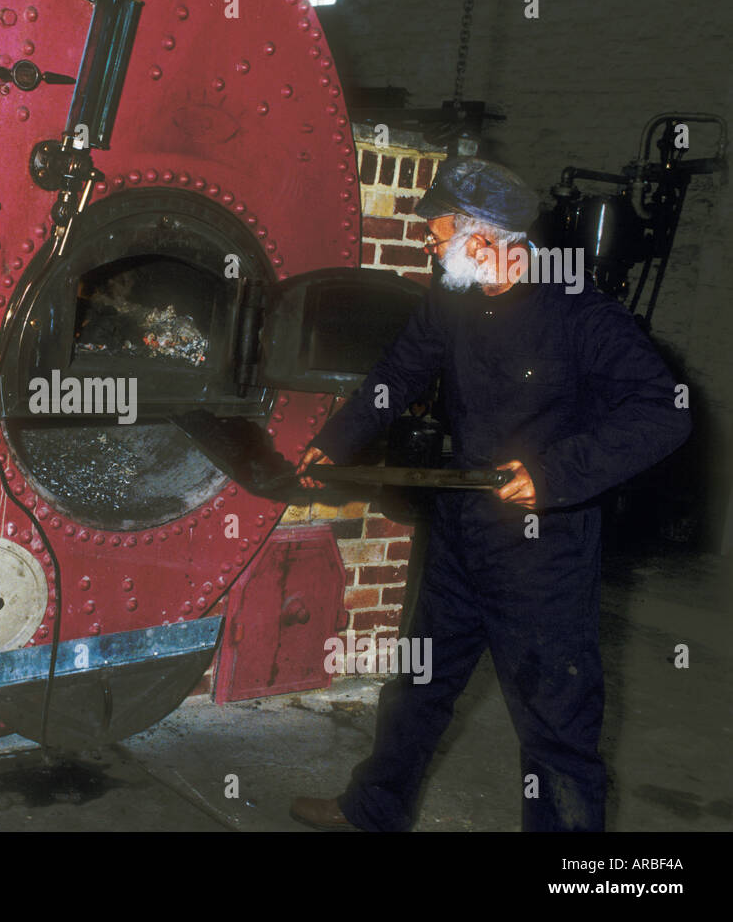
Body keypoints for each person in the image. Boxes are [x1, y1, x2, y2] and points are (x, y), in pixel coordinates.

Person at [289, 157, 692, 832]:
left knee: (556, 726)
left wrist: (556, 472)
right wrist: (337, 440)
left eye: (436, 232)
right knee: (416, 686)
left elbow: (666, 411)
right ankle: (372, 808)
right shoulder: (453, 299)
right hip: (459, 533)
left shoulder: (580, 313)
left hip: (544, 556)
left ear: (483, 239)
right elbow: (398, 372)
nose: (426, 242)